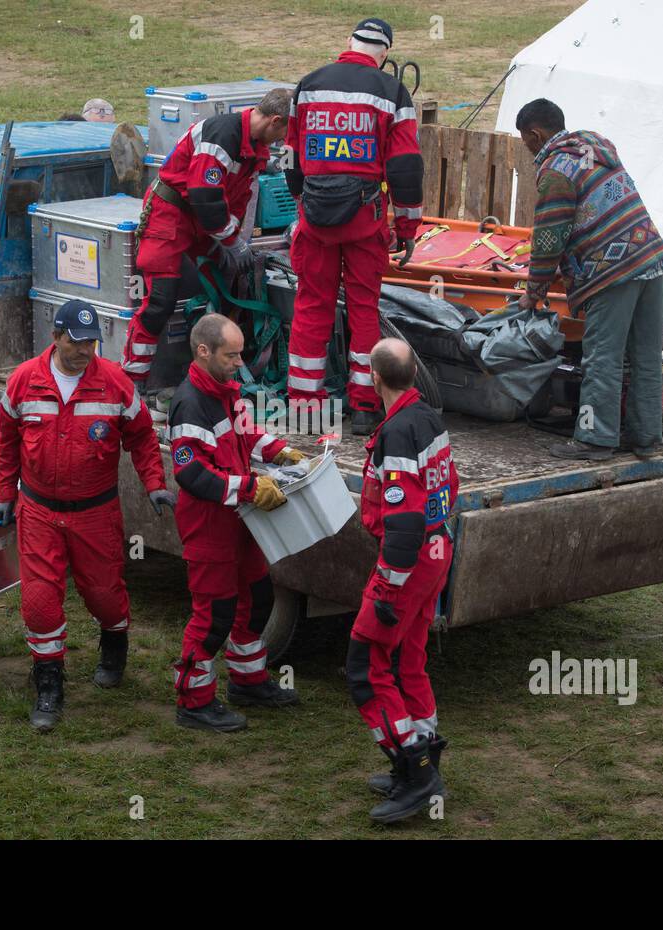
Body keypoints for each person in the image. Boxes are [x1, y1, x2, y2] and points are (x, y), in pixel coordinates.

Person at [0, 299, 173, 732]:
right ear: (55, 337)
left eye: (91, 343)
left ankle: (114, 642)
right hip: (38, 511)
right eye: (76, 342)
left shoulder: (115, 385)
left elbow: (143, 437)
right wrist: (5, 493)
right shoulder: (22, 383)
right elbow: (6, 441)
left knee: (104, 596)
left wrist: (154, 483)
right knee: (39, 603)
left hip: (95, 513)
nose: (84, 351)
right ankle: (49, 684)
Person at [284, 17, 424, 435]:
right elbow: (404, 167)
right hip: (365, 222)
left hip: (316, 221)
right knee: (364, 309)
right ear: (384, 57)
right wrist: (409, 227)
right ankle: (366, 406)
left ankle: (305, 409)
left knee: (311, 306)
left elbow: (290, 155)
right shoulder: (392, 92)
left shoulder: (309, 84)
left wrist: (302, 204)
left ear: (348, 44)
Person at [514, 98, 663, 461]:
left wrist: (534, 290)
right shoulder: (594, 145)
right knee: (646, 355)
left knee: (603, 355)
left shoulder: (556, 169)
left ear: (535, 135)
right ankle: (645, 437)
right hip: (648, 254)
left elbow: (549, 235)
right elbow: (591, 210)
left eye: (526, 142)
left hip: (612, 270)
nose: (528, 150)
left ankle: (595, 437)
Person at [166, 315, 304, 732]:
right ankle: (193, 701)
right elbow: (192, 475)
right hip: (210, 525)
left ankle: (247, 680)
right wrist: (248, 488)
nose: (240, 362)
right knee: (214, 617)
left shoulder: (226, 389)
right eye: (232, 354)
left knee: (259, 598)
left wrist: (281, 452)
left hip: (240, 521)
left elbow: (246, 435)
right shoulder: (190, 402)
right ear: (204, 352)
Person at [346, 337, 458, 824]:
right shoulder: (429, 418)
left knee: (366, 664)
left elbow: (404, 522)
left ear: (374, 377)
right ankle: (423, 748)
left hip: (408, 566)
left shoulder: (396, 434)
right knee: (410, 659)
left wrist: (388, 589)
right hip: (437, 555)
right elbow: (449, 487)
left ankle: (415, 771)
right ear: (414, 375)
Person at [121, 88, 291, 390]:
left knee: (232, 284)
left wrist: (233, 238)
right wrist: (231, 242)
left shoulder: (255, 147)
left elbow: (238, 198)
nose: (283, 141)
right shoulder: (222, 136)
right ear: (275, 121)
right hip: (170, 215)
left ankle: (216, 375)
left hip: (206, 222)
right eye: (285, 132)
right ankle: (132, 383)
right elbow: (205, 195)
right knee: (160, 301)